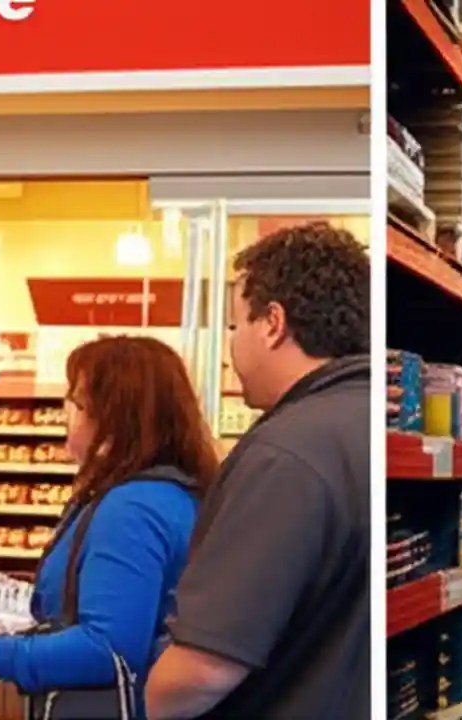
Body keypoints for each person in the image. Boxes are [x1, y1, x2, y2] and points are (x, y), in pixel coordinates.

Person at [146, 222, 370, 719]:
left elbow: (203, 669)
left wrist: (152, 697)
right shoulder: (368, 419)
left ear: (272, 323)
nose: (231, 347)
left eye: (234, 326)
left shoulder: (285, 455)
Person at [0, 337, 218, 718]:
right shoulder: (175, 494)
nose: (67, 414)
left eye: (79, 404)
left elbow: (108, 648)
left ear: (114, 420)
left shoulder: (132, 509)